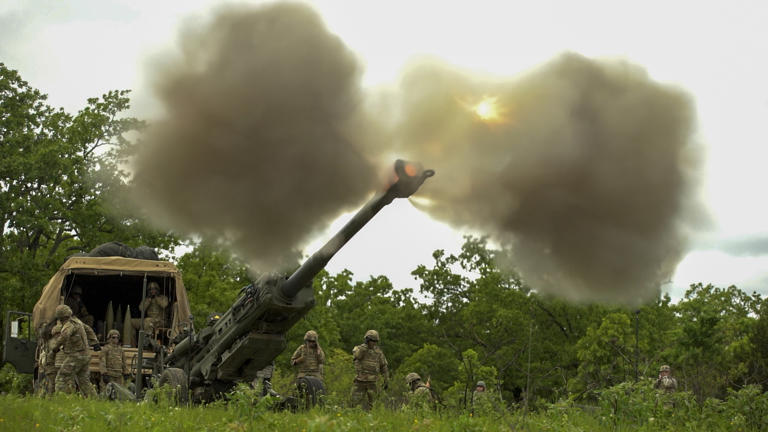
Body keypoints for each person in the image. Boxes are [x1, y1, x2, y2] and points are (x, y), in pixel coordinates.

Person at [53, 304, 98, 397]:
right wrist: (95, 342)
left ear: (60, 316)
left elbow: (64, 336)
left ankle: (59, 399)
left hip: (76, 355)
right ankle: (94, 399)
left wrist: (55, 348)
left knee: (62, 377)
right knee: (84, 381)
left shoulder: (69, 325)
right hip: (85, 355)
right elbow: (89, 329)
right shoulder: (77, 321)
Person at [351, 329, 389, 410]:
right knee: (354, 403)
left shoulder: (378, 352)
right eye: (372, 340)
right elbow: (357, 356)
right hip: (359, 381)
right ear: (367, 340)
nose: (374, 343)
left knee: (374, 405)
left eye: (375, 341)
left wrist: (386, 380)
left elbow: (384, 366)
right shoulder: (359, 349)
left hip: (373, 382)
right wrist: (364, 347)